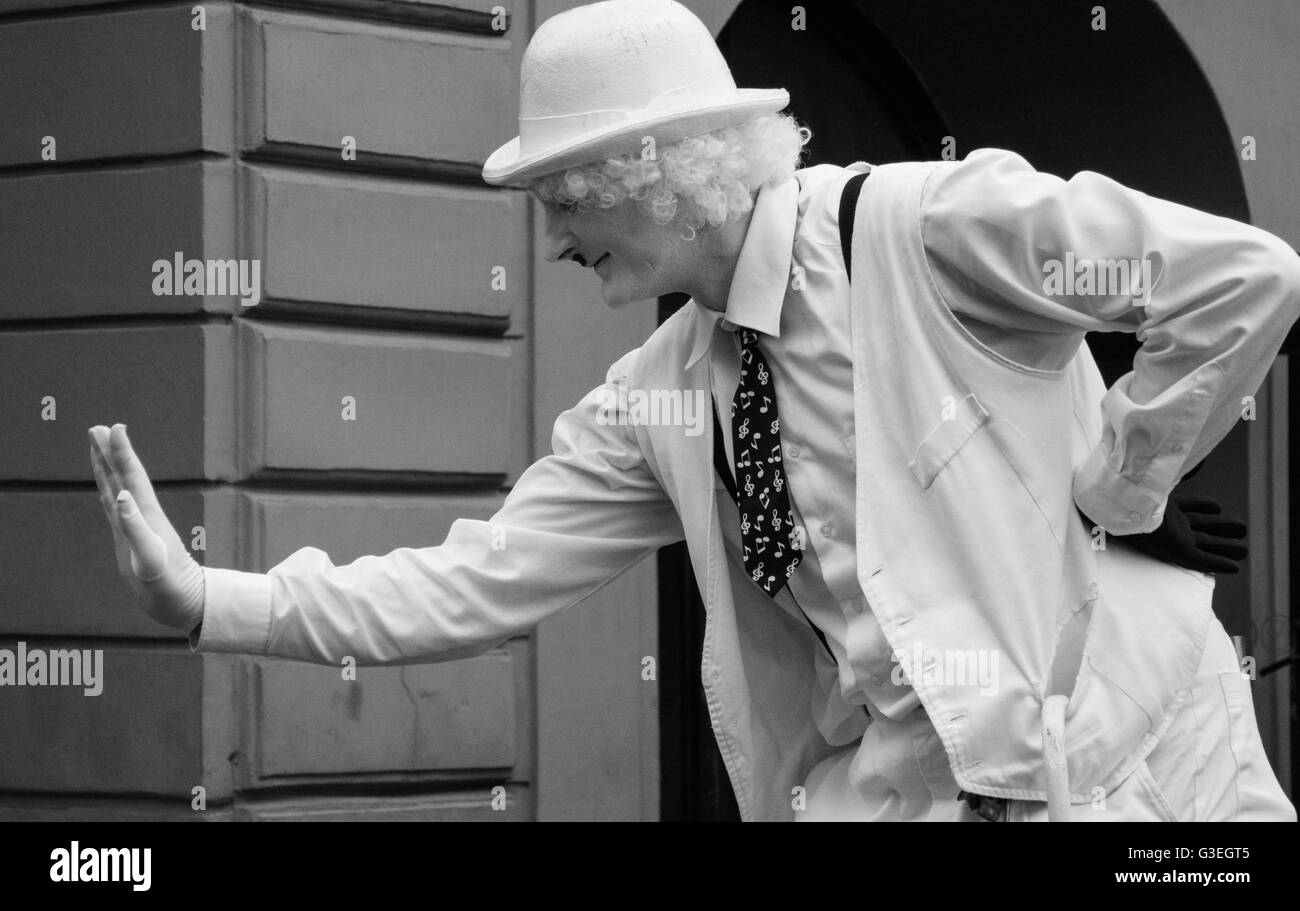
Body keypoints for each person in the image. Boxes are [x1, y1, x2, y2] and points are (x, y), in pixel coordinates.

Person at [88, 0, 1298, 821]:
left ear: (652, 173)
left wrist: (1121, 479)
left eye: (566, 196)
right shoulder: (660, 395)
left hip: (1142, 767)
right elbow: (481, 575)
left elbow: (1241, 280)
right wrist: (210, 602)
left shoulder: (927, 231)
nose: (552, 234)